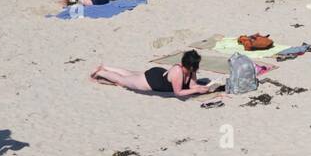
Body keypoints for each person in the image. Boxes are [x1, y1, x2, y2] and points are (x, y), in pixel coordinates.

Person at [89, 50, 218, 97]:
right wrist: (196, 90)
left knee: (130, 74)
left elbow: (192, 85)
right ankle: (102, 72)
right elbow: (178, 92)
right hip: (151, 81)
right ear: (190, 65)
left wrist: (201, 88)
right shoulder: (178, 71)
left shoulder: (189, 71)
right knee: (123, 80)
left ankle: (107, 67)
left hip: (159, 74)